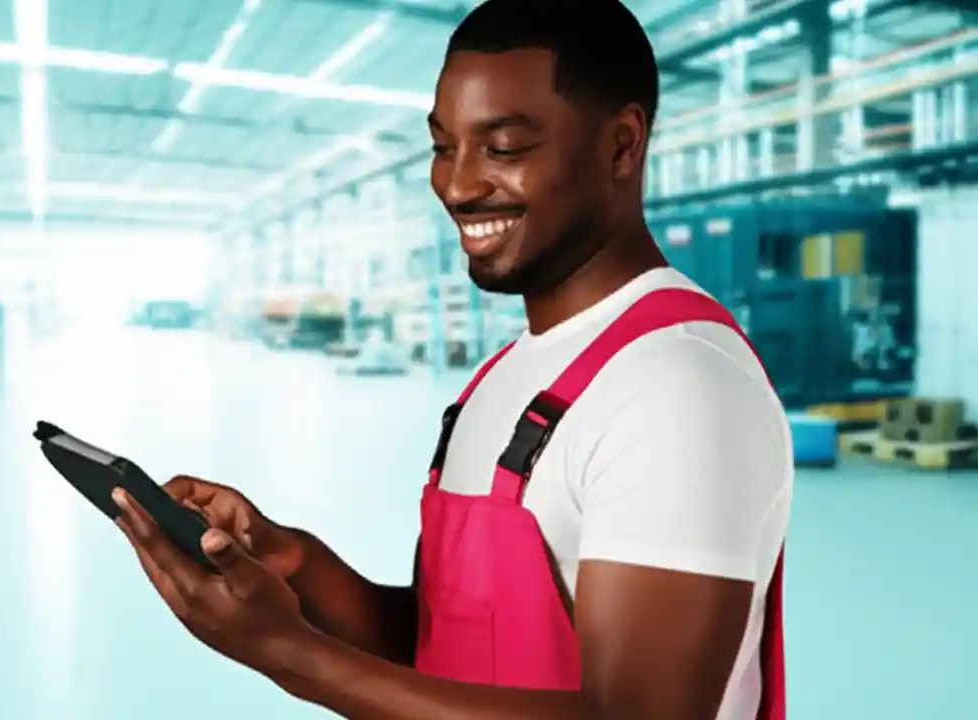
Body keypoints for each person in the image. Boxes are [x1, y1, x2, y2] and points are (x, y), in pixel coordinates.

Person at [111, 1, 793, 718]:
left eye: (503, 148)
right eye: (444, 147)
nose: (460, 186)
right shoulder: (504, 377)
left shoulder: (675, 385)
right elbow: (447, 652)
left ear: (621, 146)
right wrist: (294, 566)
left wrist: (290, 655)